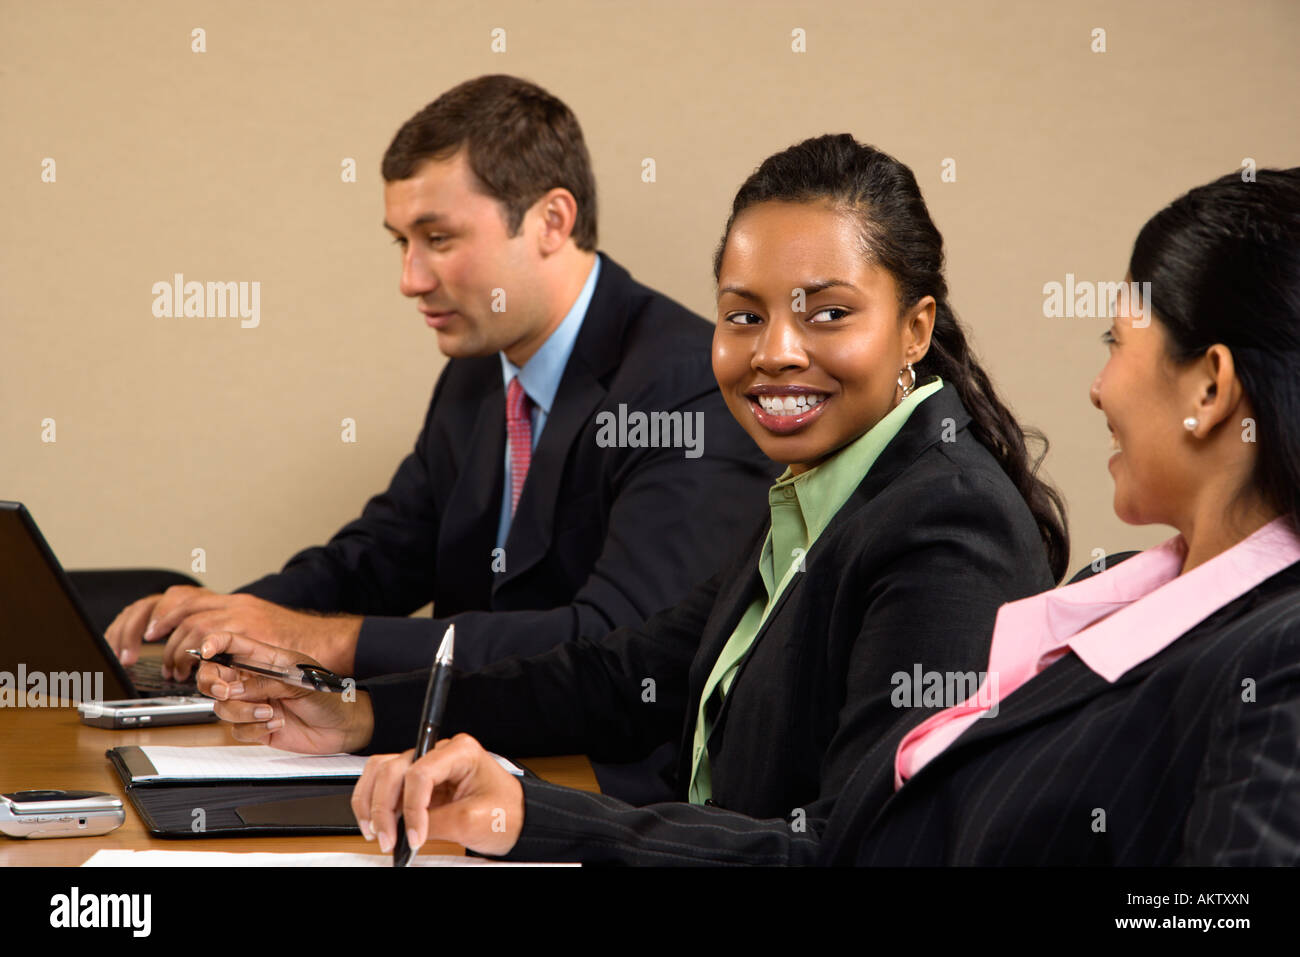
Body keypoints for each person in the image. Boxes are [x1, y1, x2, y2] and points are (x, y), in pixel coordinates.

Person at [196, 134, 1070, 865]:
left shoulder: (944, 522)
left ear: (914, 327)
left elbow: (851, 853)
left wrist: (534, 815)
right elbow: (622, 674)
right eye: (743, 314)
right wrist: (360, 714)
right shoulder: (819, 488)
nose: (777, 351)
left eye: (828, 314)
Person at [100, 74, 773, 690]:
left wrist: (317, 642)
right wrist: (228, 617)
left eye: (439, 238)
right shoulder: (476, 372)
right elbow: (383, 556)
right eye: (402, 242)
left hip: (610, 790)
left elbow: (617, 642)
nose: (411, 280)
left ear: (552, 221)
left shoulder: (687, 381)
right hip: (457, 755)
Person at [827, 167, 1300, 866]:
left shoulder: (1282, 657)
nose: (1097, 387)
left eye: (1115, 343)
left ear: (1211, 385)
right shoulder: (1117, 589)